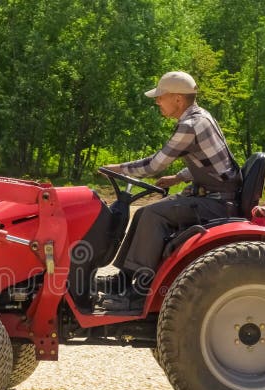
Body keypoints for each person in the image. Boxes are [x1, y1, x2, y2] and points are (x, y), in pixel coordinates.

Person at [99, 71, 241, 311]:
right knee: (144, 213)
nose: (157, 102)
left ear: (177, 99)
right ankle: (122, 279)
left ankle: (139, 291)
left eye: (160, 97)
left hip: (217, 201)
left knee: (153, 215)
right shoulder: (202, 117)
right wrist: (179, 177)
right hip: (213, 193)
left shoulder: (189, 125)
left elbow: (154, 165)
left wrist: (118, 168)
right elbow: (213, 161)